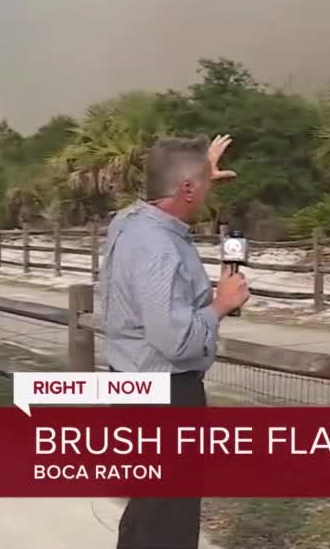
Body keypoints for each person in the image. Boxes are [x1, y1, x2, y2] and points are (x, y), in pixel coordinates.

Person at [101, 135, 249, 549]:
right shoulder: (158, 247)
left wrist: (199, 173)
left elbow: (158, 198)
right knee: (170, 515)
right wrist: (222, 304)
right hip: (163, 393)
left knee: (149, 505)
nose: (205, 190)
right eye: (199, 184)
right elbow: (176, 340)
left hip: (131, 383)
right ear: (186, 189)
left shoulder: (130, 222)